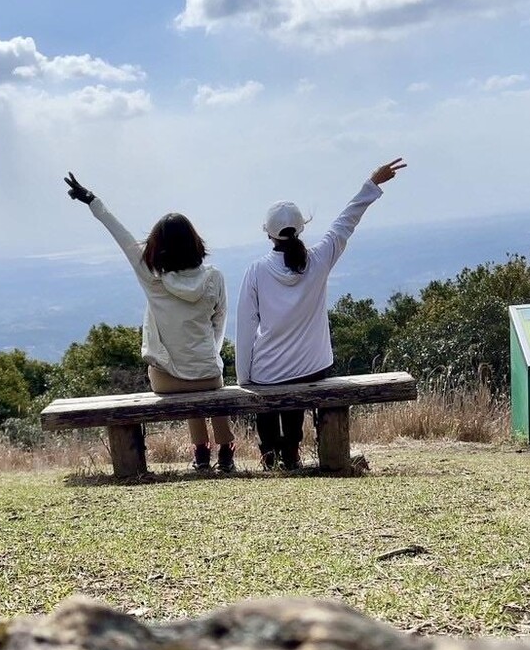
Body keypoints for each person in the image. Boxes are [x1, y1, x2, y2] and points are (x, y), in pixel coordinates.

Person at [235, 158, 407, 470]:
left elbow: (246, 329)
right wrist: (371, 184)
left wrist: (244, 379)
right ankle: (291, 452)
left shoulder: (256, 271)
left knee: (271, 385)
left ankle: (270, 455)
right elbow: (345, 223)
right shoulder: (319, 259)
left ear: (268, 234)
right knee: (295, 380)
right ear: (302, 228)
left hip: (268, 373)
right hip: (314, 367)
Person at [63, 172, 236, 472]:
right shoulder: (214, 278)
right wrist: (211, 357)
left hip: (167, 382)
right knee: (203, 383)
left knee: (175, 366)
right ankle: (226, 450)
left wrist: (92, 200)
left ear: (158, 245)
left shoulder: (151, 279)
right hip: (209, 374)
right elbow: (219, 324)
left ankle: (200, 450)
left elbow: (124, 239)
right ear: (195, 243)